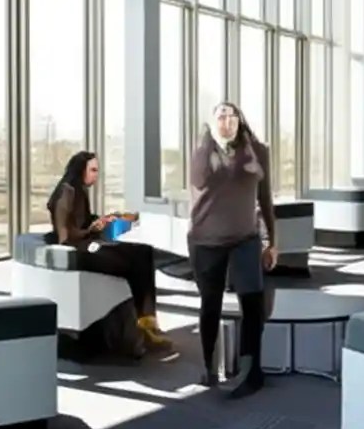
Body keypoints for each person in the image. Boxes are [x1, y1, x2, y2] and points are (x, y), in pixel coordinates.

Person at [188, 102, 278, 399]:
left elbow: (265, 201)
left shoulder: (258, 151)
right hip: (206, 239)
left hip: (245, 238)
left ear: (240, 119)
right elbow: (199, 180)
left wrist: (271, 242)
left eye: (232, 114)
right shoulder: (202, 152)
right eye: (220, 116)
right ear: (212, 122)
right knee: (209, 305)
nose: (227, 120)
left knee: (252, 303)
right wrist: (210, 142)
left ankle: (251, 372)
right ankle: (208, 367)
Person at [47, 151, 171, 352]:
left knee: (143, 253)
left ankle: (148, 322)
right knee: (133, 261)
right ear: (81, 170)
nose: (96, 175)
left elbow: (82, 222)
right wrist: (92, 229)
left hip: (87, 244)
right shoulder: (66, 192)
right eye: (93, 170)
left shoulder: (78, 190)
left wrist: (103, 220)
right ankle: (143, 328)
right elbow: (65, 236)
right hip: (79, 252)